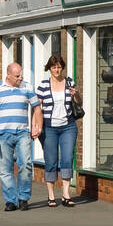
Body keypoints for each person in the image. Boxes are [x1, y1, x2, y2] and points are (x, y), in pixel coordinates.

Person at [0, 62, 42, 211]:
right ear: (8, 75)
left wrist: (38, 126)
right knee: (5, 169)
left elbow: (37, 108)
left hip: (22, 132)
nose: (20, 78)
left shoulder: (27, 87)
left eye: (21, 75)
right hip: (3, 134)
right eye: (17, 76)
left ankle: (23, 198)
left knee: (26, 164)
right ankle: (11, 200)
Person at [35, 54, 80, 208]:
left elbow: (79, 102)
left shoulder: (69, 82)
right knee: (51, 160)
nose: (57, 70)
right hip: (49, 128)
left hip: (68, 126)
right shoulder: (43, 85)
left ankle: (66, 194)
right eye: (54, 67)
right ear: (49, 68)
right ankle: (51, 195)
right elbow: (37, 108)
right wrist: (36, 126)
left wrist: (76, 94)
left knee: (67, 158)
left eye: (59, 67)